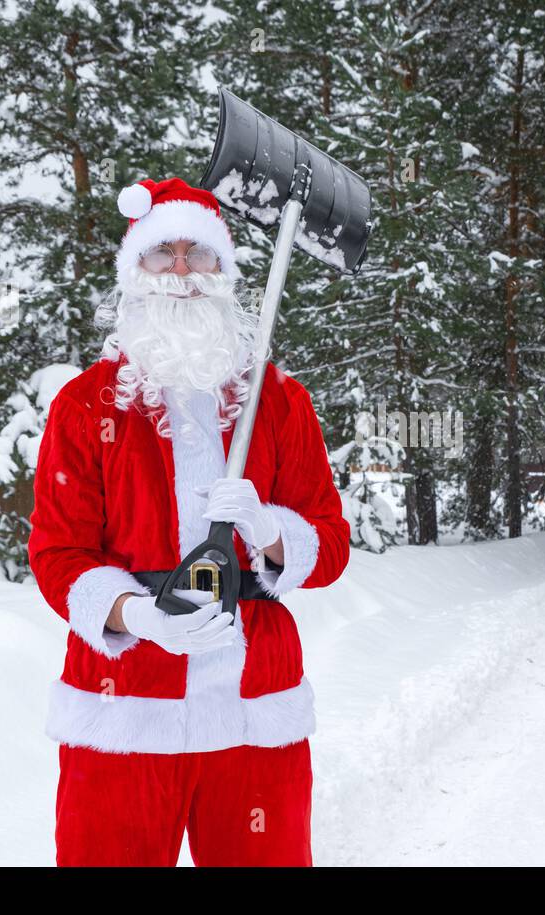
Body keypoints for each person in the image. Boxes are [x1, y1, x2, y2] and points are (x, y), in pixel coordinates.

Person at [28, 176, 350, 866]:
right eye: (162, 253)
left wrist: (267, 528)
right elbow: (59, 553)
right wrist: (138, 617)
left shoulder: (280, 400)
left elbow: (331, 545)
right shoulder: (85, 406)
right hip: (123, 711)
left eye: (197, 254)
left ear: (223, 272)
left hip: (254, 707)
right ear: (134, 273)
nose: (180, 270)